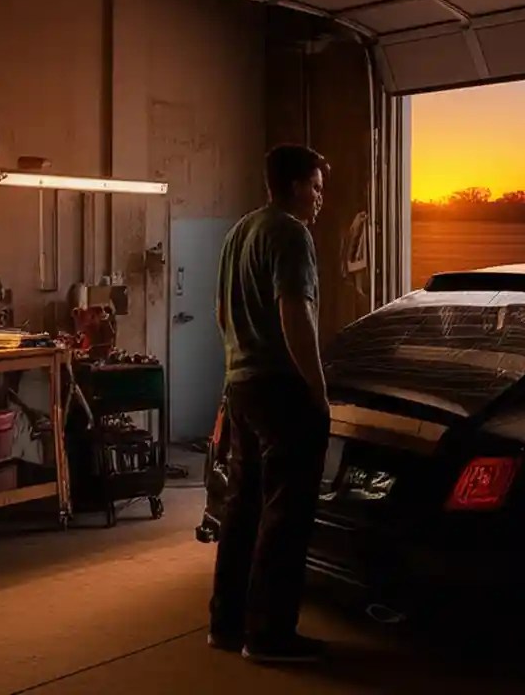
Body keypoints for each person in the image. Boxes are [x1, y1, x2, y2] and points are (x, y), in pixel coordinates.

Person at [208, 144, 331, 663]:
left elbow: (221, 313)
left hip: (241, 385)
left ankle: (227, 625)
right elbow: (294, 313)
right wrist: (318, 390)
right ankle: (270, 636)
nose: (322, 198)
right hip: (281, 389)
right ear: (298, 186)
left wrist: (239, 364)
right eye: (318, 186)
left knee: (242, 509)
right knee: (286, 514)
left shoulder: (241, 232)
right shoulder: (291, 232)